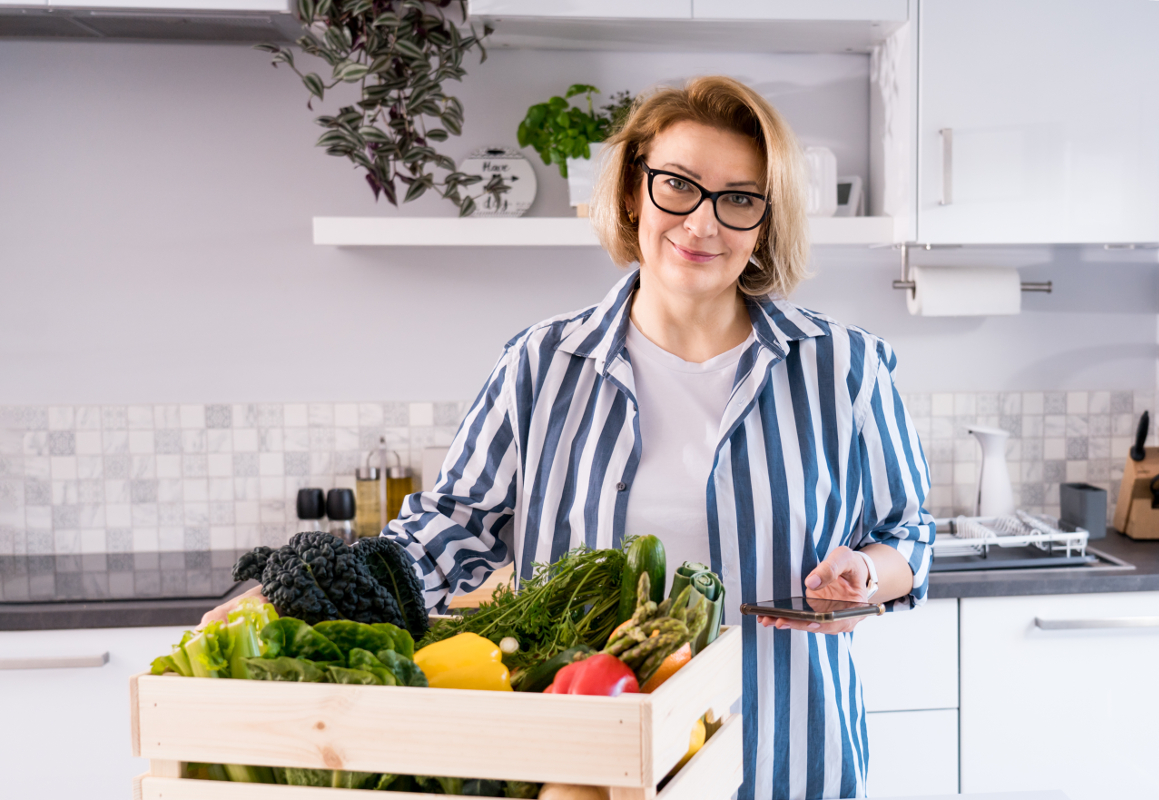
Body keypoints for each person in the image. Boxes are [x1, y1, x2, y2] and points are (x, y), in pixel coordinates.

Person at [203, 75, 934, 799]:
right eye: (677, 185)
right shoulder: (541, 363)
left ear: (766, 223)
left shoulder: (844, 368)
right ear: (630, 191)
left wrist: (867, 574)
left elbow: (910, 532)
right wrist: (296, 596)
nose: (703, 223)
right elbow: (450, 530)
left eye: (739, 198)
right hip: (585, 756)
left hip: (787, 752)